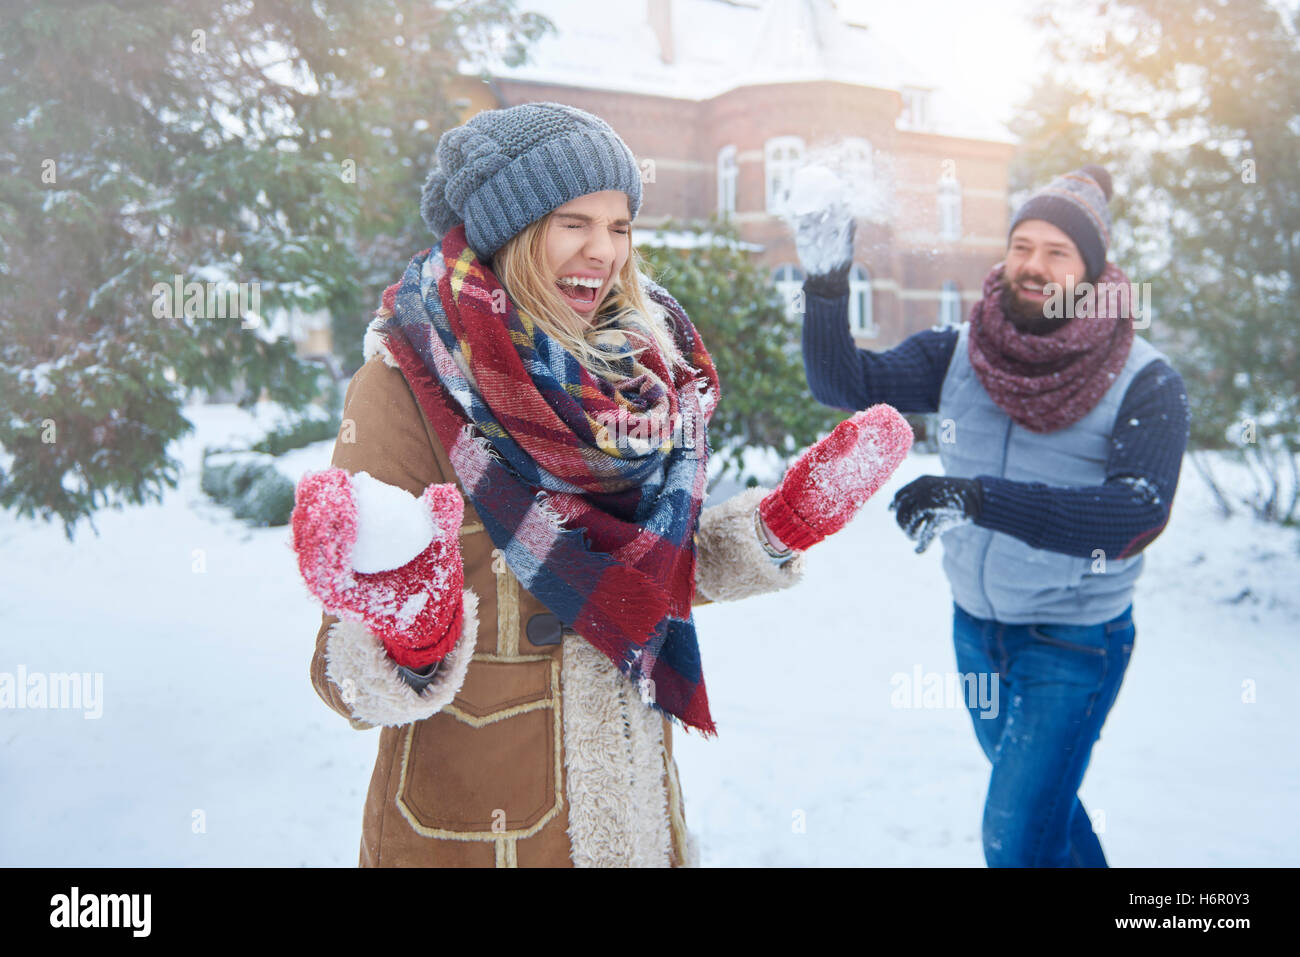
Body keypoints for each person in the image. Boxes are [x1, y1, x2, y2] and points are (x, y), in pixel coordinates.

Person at [290, 102, 913, 868]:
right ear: (511, 233)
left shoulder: (641, 379)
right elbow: (339, 675)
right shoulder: (409, 382)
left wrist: (777, 526)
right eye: (573, 223)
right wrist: (412, 630)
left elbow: (638, 577)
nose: (605, 251)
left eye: (619, 226)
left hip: (634, 816)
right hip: (486, 837)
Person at [794, 163, 1191, 867]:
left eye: (1057, 252)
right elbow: (844, 382)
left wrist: (977, 499)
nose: (1033, 265)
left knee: (1014, 838)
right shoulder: (961, 350)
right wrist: (827, 283)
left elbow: (1134, 514)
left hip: (1073, 642)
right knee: (1048, 823)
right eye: (1022, 245)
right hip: (975, 630)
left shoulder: (1145, 377)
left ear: (1094, 272)